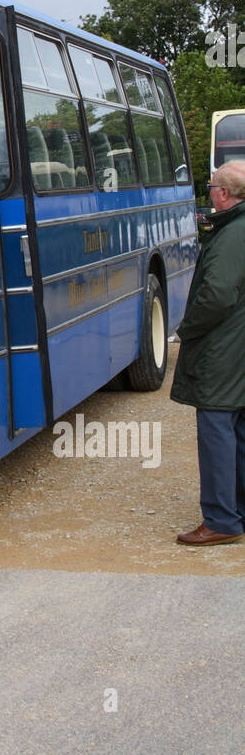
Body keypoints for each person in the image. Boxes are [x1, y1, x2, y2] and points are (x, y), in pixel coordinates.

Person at [171, 160, 245, 545]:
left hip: (223, 352)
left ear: (223, 194)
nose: (210, 193)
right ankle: (236, 513)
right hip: (239, 351)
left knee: (217, 434)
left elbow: (216, 297)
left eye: (212, 187)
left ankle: (220, 520)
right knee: (238, 433)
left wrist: (187, 328)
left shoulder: (232, 234)